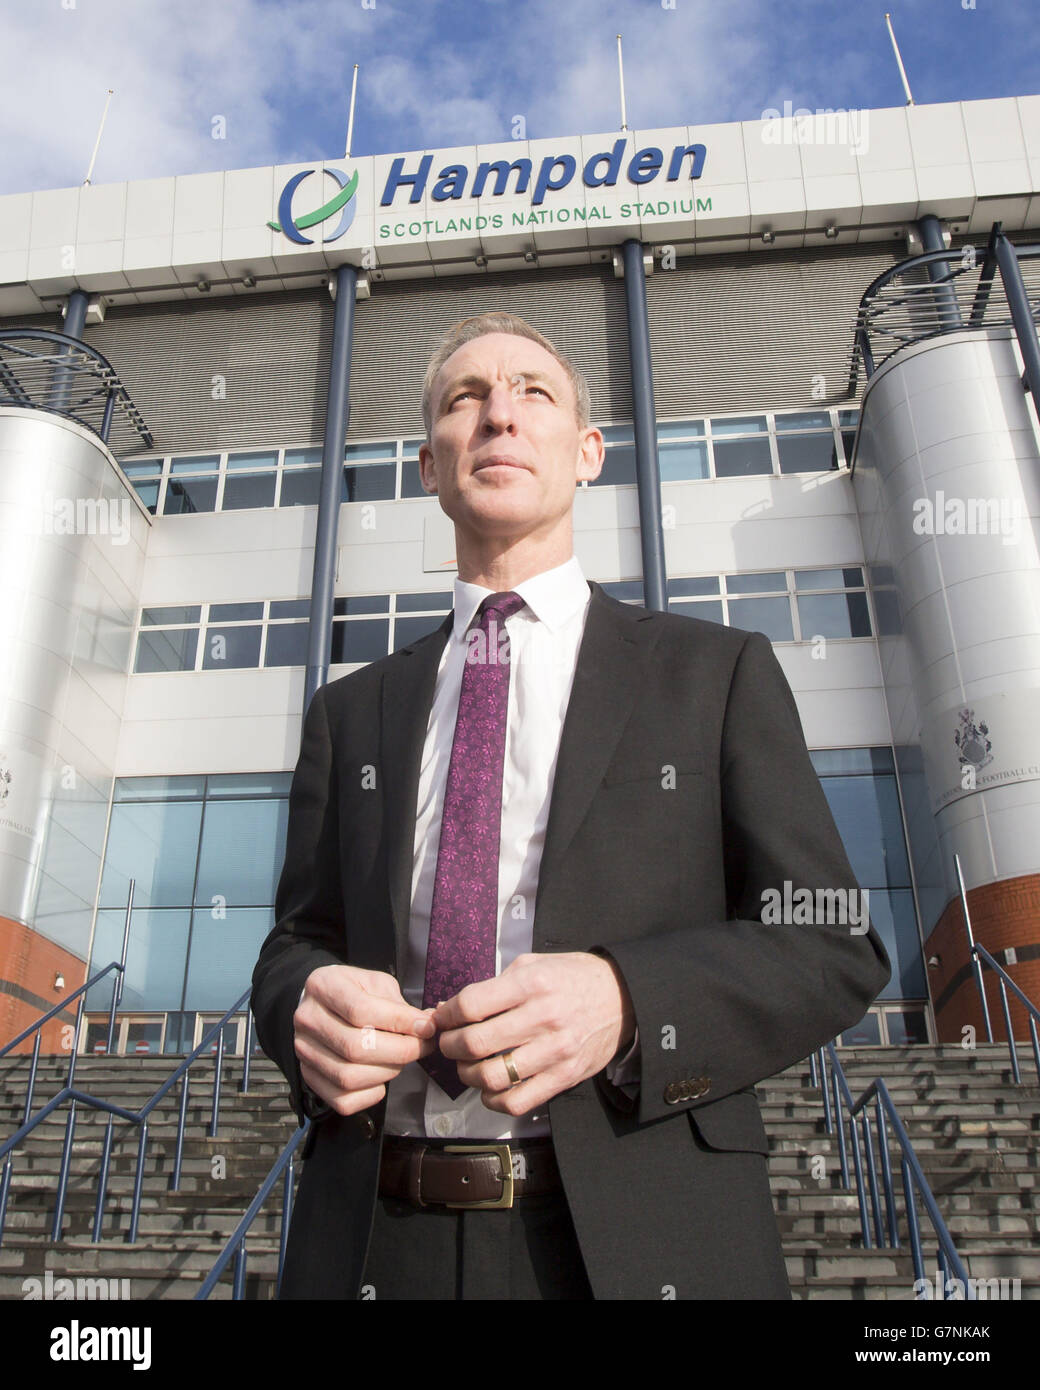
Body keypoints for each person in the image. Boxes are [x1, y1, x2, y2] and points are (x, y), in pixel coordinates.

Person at [250, 311, 890, 1300]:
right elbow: (295, 940)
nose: (497, 414)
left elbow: (832, 940)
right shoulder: (348, 712)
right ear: (429, 465)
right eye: (465, 400)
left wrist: (628, 1002)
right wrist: (302, 1007)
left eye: (531, 393)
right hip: (373, 1239)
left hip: (633, 1239)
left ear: (585, 452)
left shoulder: (711, 674)